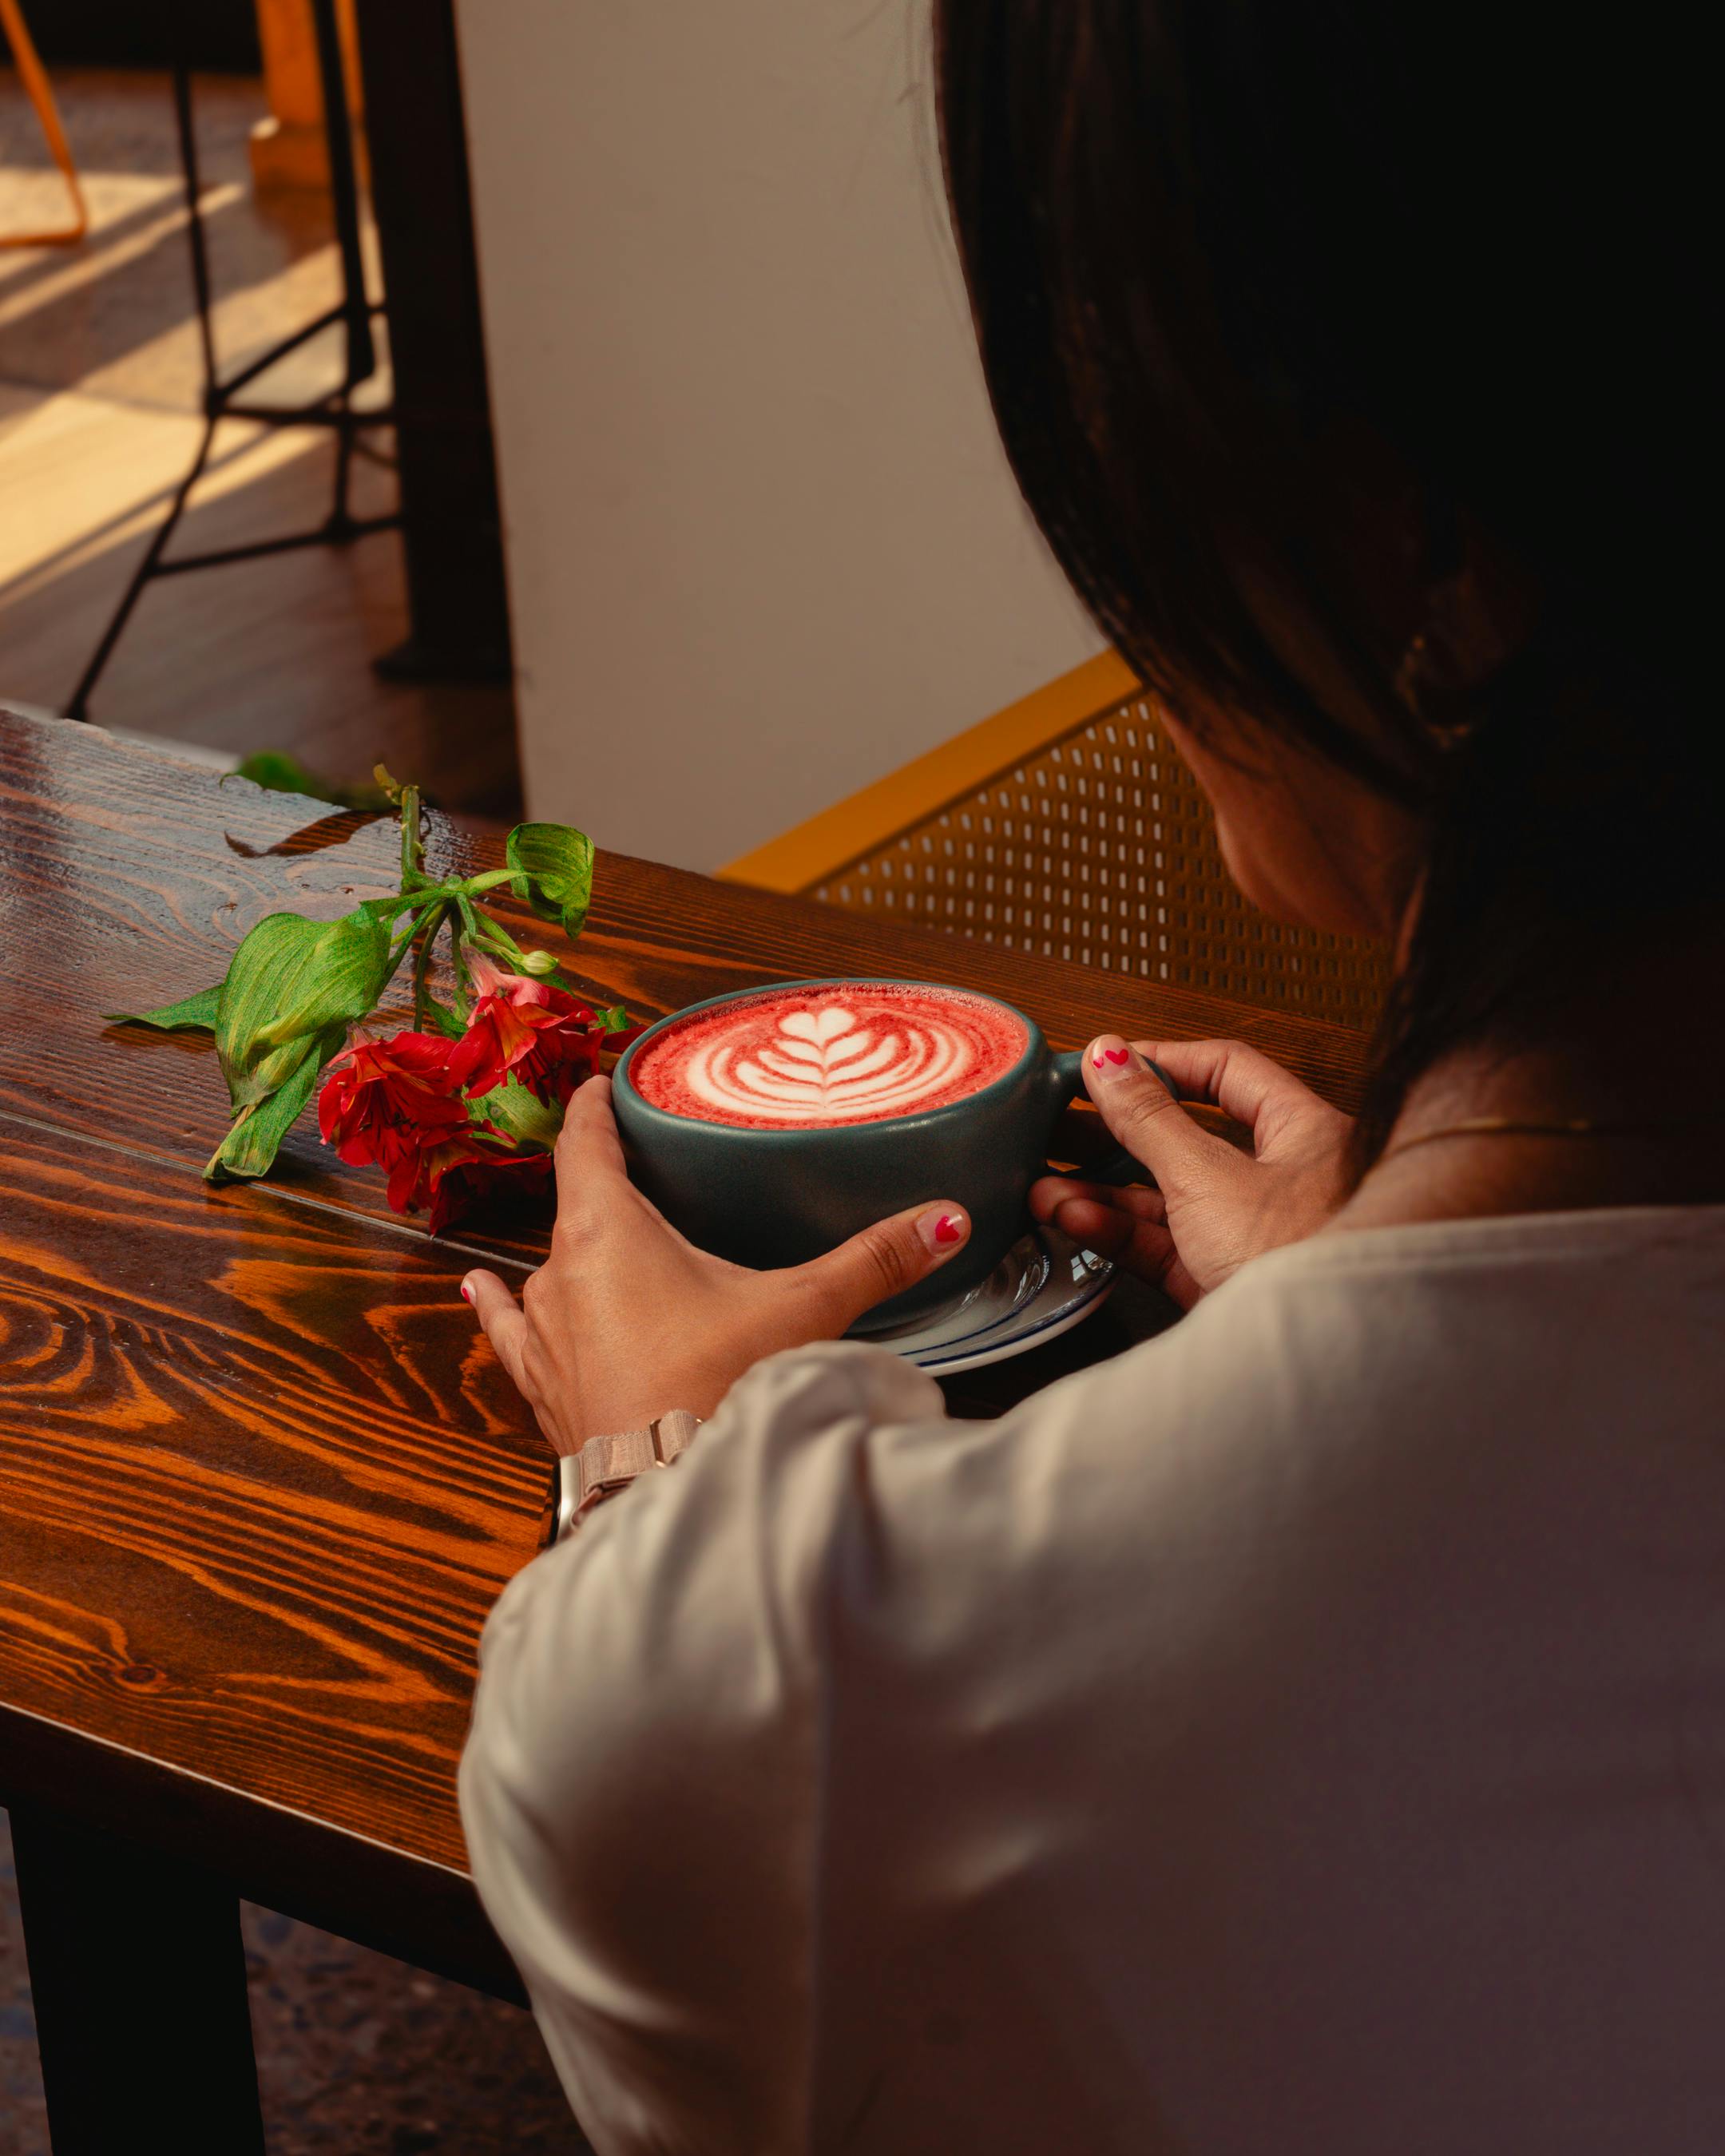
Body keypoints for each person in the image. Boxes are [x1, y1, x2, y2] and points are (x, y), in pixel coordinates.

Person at [457, 6, 1723, 2150]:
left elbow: (656, 1777)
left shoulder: (809, 1707)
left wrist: (655, 1483)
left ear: (1406, 548)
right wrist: (1422, 1275)